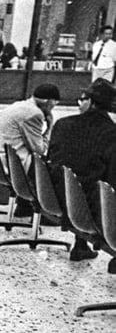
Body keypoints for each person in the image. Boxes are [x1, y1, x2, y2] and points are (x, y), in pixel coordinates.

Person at [48, 78, 116, 265]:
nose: (79, 103)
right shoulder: (111, 133)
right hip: (92, 209)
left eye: (82, 99)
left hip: (55, 198)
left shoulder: (63, 124)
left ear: (91, 102)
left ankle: (81, 245)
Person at [0, 82, 60, 166]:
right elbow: (39, 150)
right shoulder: (34, 114)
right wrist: (50, 128)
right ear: (49, 102)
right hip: (9, 163)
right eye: (55, 103)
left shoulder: (21, 105)